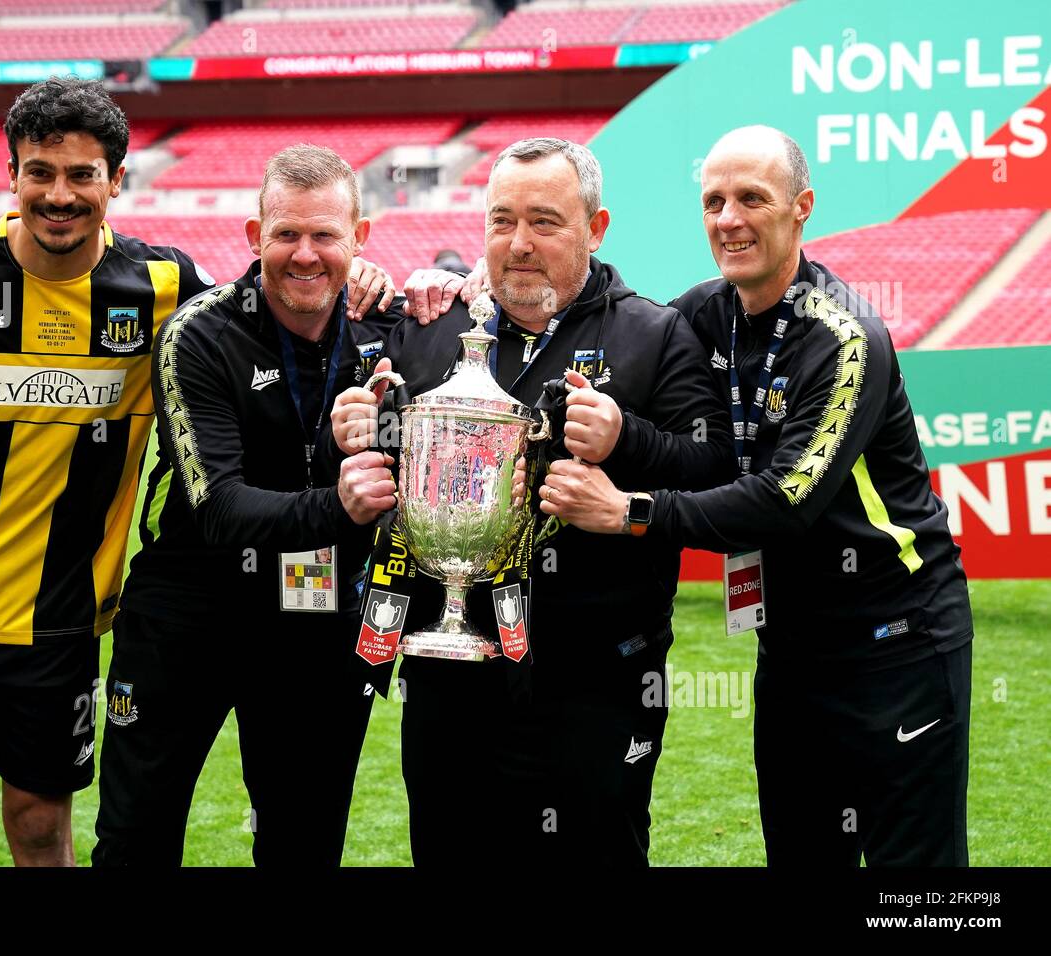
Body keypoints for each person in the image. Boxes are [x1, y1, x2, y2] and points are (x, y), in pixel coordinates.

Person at [0, 79, 395, 867]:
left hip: (58, 615)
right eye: (40, 173)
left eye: (82, 175)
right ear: (12, 175)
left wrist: (379, 281)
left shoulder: (161, 290)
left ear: (115, 180)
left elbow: (282, 297)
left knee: (37, 826)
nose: (59, 195)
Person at [577, 126, 974, 866]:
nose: (729, 219)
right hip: (789, 649)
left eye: (752, 199)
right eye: (714, 201)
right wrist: (476, 283)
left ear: (801, 209)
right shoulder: (702, 313)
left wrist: (630, 513)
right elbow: (613, 317)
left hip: (898, 643)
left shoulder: (845, 335)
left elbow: (783, 503)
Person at [332, 138, 735, 866]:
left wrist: (628, 441)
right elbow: (318, 317)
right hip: (445, 671)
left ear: (596, 227)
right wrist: (357, 427)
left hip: (594, 680)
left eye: (545, 222)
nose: (518, 244)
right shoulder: (429, 327)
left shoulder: (653, 334)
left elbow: (713, 472)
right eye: (501, 220)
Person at [91, 144, 449, 867]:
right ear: (256, 238)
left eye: (325, 235)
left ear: (360, 238)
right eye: (286, 234)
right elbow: (220, 510)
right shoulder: (199, 332)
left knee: (303, 846)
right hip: (189, 608)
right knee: (135, 839)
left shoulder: (388, 332)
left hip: (316, 623)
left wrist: (455, 283)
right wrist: (340, 507)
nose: (305, 255)